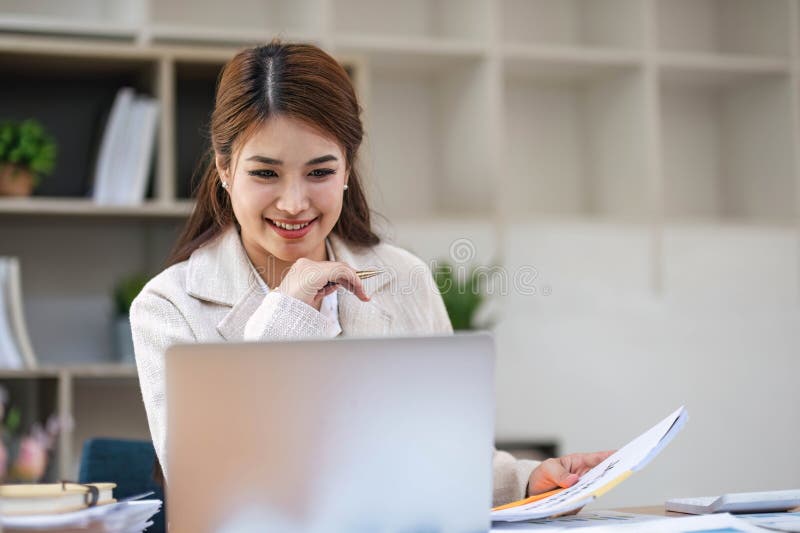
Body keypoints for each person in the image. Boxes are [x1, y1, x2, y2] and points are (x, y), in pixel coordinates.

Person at [130, 40, 611, 507]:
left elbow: (445, 453)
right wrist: (289, 314)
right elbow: (212, 486)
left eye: (320, 172)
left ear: (346, 169)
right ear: (224, 168)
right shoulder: (168, 306)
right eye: (266, 173)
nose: (294, 203)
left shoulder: (403, 278)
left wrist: (526, 482)